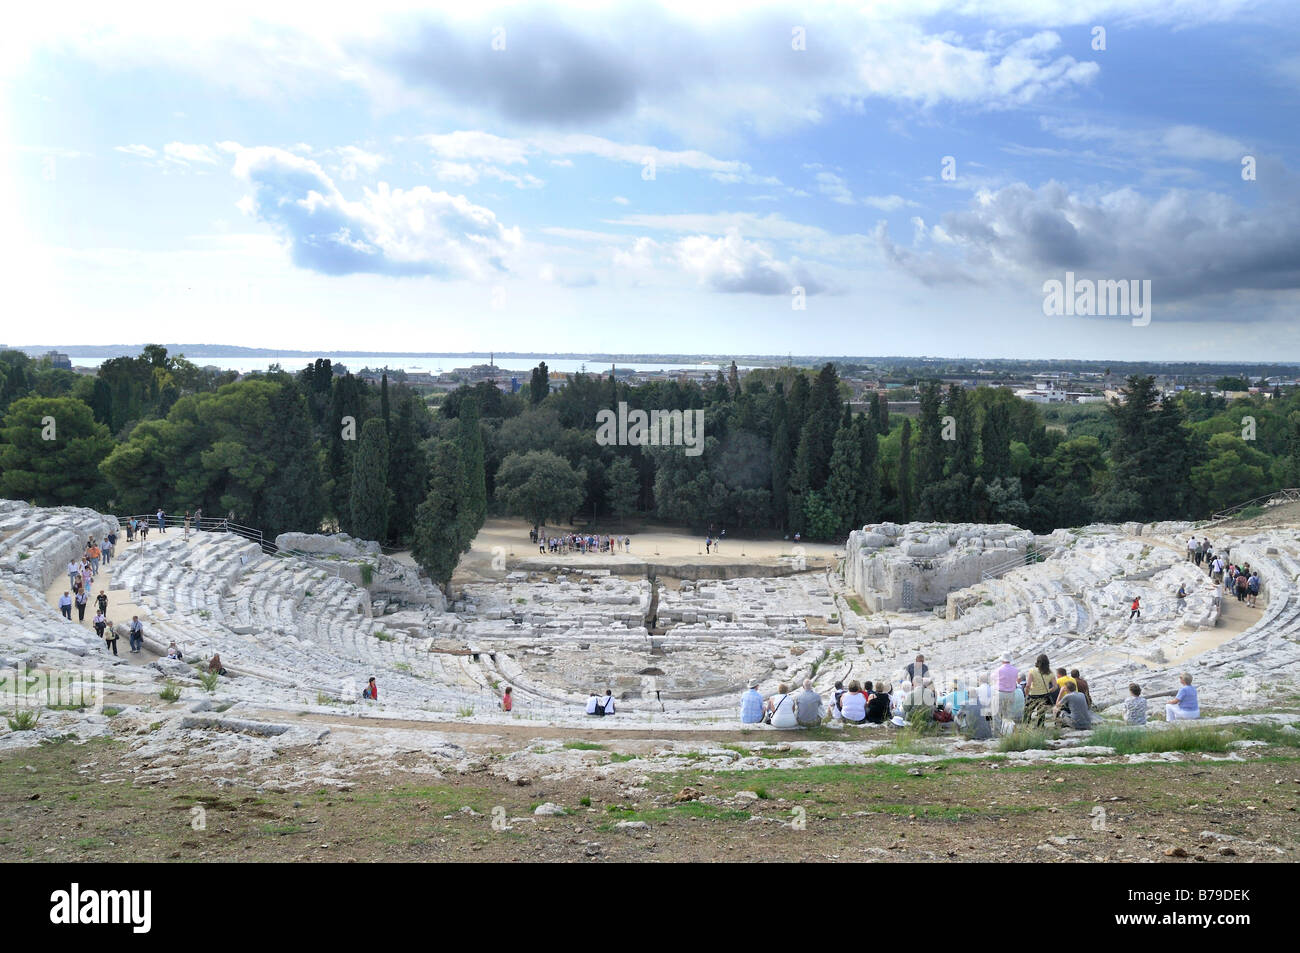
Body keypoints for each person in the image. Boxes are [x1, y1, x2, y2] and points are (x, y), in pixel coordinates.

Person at [1023, 654, 1055, 728]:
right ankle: (1040, 727)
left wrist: (1026, 693)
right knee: (1041, 713)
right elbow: (1055, 686)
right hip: (1044, 695)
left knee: (1027, 712)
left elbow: (1028, 685)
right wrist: (1049, 690)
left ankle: (1026, 726)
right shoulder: (1050, 673)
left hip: (1033, 695)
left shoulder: (1032, 671)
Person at [994, 655, 1018, 727]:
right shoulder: (1015, 670)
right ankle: (1008, 730)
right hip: (1011, 693)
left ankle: (998, 730)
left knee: (997, 713)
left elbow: (993, 679)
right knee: (1009, 714)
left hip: (1000, 692)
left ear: (1002, 660)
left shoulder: (998, 670)